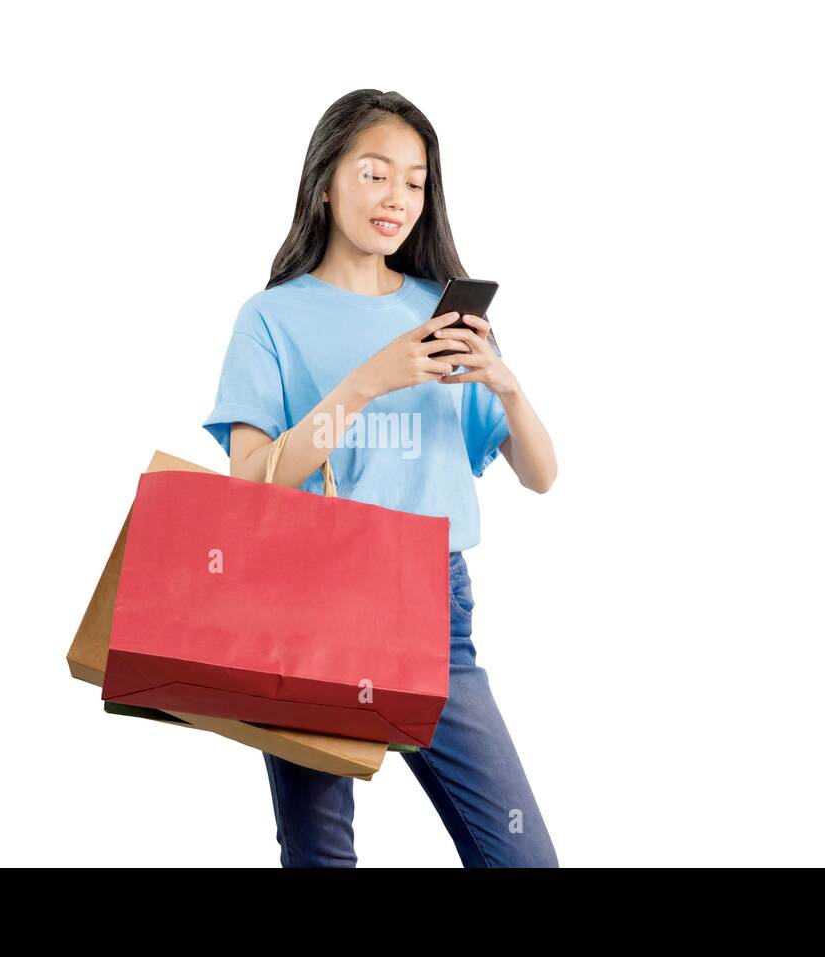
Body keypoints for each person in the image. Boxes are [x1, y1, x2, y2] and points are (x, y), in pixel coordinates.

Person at [202, 89, 559, 867]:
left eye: (414, 180)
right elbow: (250, 483)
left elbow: (541, 475)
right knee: (322, 858)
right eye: (374, 173)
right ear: (326, 180)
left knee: (524, 857)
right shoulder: (270, 319)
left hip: (434, 607)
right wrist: (367, 381)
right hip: (309, 606)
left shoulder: (437, 310)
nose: (396, 196)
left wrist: (506, 385)